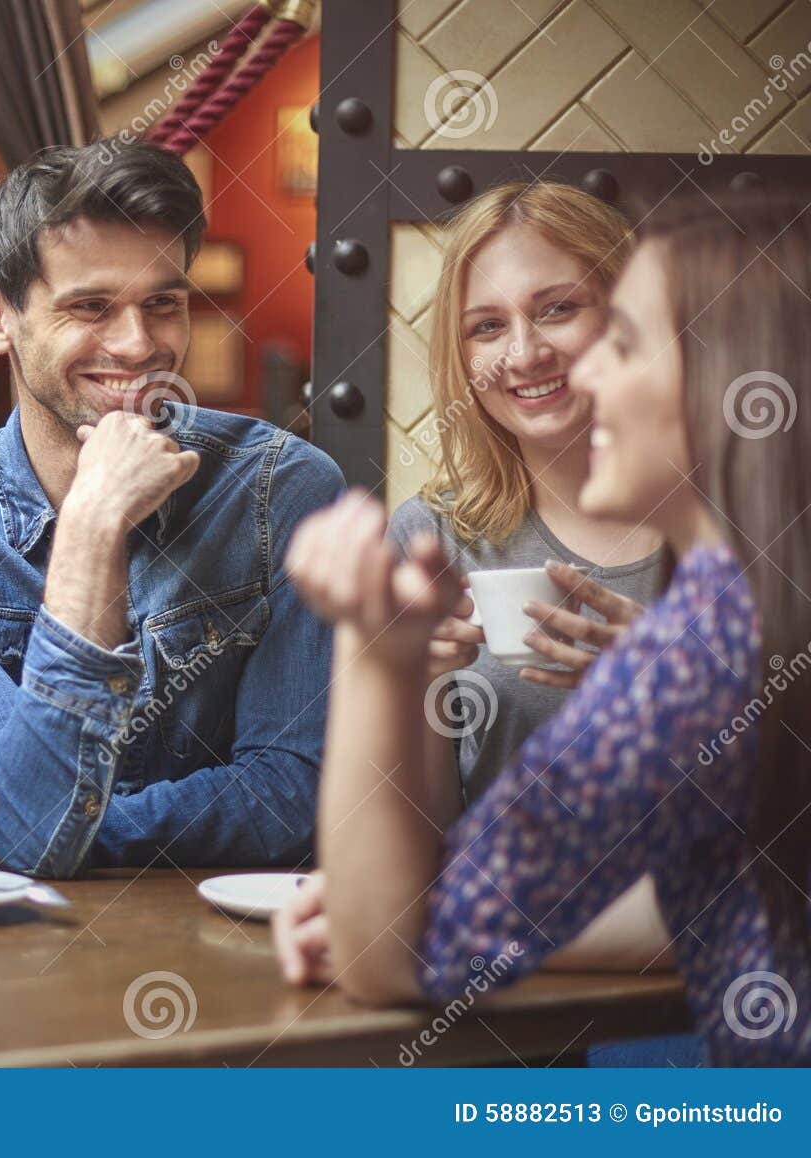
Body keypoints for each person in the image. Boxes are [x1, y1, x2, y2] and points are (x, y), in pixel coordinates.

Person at [275, 192, 811, 1065]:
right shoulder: (718, 612)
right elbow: (700, 897)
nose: (573, 368)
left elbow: (396, 956)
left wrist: (371, 656)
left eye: (618, 338)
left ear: (726, 370)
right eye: (486, 327)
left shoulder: (716, 630)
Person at [0, 140, 343, 878]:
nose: (138, 345)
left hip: (244, 961)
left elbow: (295, 800)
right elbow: (21, 839)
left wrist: (71, 827)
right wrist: (92, 529)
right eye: (91, 307)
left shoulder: (282, 489)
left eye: (162, 303)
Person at [388, 182, 664, 815]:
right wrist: (414, 686)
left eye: (559, 309)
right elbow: (425, 837)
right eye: (487, 327)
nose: (524, 354)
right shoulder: (432, 538)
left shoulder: (748, 522)